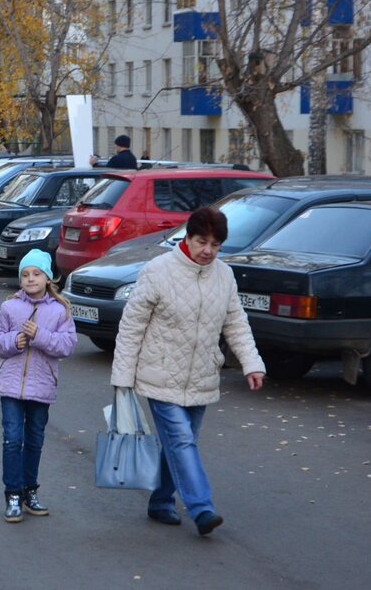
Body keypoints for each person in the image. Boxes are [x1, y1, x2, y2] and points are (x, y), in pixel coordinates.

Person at [111, 207, 266, 537]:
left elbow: (236, 323)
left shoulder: (223, 275)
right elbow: (132, 326)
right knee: (181, 440)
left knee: (180, 443)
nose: (208, 250)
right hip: (160, 374)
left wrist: (252, 363)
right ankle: (202, 508)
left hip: (201, 375)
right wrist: (122, 378)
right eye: (201, 242)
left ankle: (160, 502)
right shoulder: (158, 271)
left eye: (215, 244)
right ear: (187, 238)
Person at [0, 248, 77, 523]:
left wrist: (39, 336)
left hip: (41, 385)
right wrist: (15, 340)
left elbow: (66, 346)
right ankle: (12, 494)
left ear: (48, 278)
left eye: (36, 274)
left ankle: (30, 491)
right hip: (11, 385)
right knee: (13, 440)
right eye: (25, 274)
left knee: (34, 441)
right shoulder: (10, 307)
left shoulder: (60, 311)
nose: (30, 279)